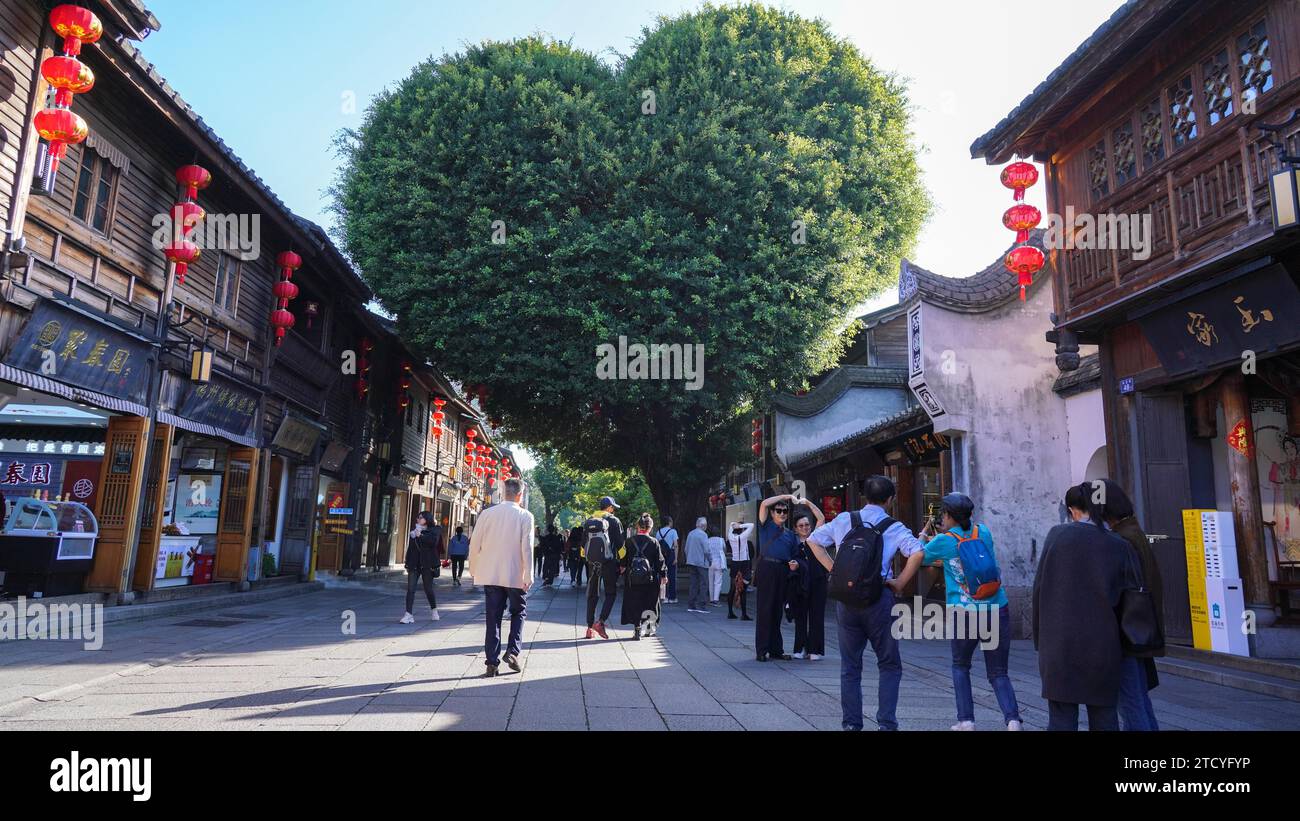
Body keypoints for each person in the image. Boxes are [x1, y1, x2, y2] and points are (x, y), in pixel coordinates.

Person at [893, 492, 1022, 731]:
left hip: (964, 611)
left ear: (948, 516)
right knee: (998, 671)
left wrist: (923, 535)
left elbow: (916, 555)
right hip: (997, 607)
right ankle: (1013, 719)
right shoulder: (983, 531)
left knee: (961, 665)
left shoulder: (943, 541)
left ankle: (966, 720)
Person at [804, 476, 924, 731]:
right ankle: (887, 725)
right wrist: (900, 582)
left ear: (864, 497)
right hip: (879, 600)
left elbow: (813, 540)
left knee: (850, 666)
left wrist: (834, 570)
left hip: (847, 602)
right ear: (890, 500)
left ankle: (851, 725)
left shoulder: (845, 518)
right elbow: (918, 552)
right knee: (889, 664)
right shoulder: (894, 526)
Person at [1033, 481, 1137, 730]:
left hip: (1059, 644)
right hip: (1103, 645)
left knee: (1061, 717)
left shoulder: (1057, 536)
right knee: (1104, 716)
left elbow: (1039, 590)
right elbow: (1131, 599)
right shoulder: (1119, 545)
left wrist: (1040, 638)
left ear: (1072, 510)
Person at [1099, 479, 1164, 732]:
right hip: (1137, 628)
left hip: (1126, 630)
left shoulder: (1121, 540)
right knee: (1137, 699)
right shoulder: (1132, 532)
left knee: (1131, 702)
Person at [467, 478, 534, 677]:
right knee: (518, 612)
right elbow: (527, 547)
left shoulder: (487, 514)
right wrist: (528, 574)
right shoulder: (525, 515)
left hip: (491, 573)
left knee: (493, 617)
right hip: (515, 573)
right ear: (520, 495)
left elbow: (475, 544)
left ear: (503, 493)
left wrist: (474, 569)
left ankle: (491, 662)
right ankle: (513, 651)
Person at [755, 495, 805, 661]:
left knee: (777, 611)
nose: (782, 513)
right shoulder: (765, 526)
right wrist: (786, 496)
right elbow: (763, 504)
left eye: (785, 511)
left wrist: (795, 564)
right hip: (767, 568)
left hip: (783, 570)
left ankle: (776, 649)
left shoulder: (790, 535)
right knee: (765, 609)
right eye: (779, 510)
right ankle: (762, 650)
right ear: (772, 513)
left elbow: (796, 555)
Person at [621, 513, 668, 640]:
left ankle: (637, 629)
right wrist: (664, 575)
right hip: (650, 578)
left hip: (633, 579)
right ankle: (648, 629)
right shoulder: (654, 542)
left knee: (635, 602)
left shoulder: (629, 542)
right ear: (650, 528)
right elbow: (660, 561)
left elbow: (623, 561)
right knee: (650, 602)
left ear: (638, 526)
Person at [791, 509, 829, 660]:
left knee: (816, 615)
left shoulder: (816, 537)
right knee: (800, 615)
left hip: (818, 581)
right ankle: (799, 648)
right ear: (795, 528)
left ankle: (815, 649)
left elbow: (821, 517)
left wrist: (805, 503)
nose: (805, 528)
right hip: (800, 582)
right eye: (801, 526)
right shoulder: (792, 543)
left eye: (807, 524)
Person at [584, 496, 624, 639]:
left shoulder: (589, 520)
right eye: (613, 507)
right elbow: (620, 544)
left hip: (592, 563)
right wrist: (623, 563)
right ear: (608, 507)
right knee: (611, 593)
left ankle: (589, 628)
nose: (613, 510)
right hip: (609, 562)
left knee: (592, 594)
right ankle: (600, 622)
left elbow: (584, 545)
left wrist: (589, 560)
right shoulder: (613, 520)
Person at [400, 511, 444, 623]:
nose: (418, 520)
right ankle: (408, 614)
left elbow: (433, 542)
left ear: (427, 519)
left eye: (421, 518)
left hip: (427, 564)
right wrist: (407, 562)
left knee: (428, 589)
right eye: (418, 518)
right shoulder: (414, 532)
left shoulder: (435, 530)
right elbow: (411, 548)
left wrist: (421, 535)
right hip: (414, 564)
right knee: (410, 589)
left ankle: (434, 610)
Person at [726, 518, 754, 620]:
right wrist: (741, 525)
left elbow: (730, 525)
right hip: (744, 564)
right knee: (743, 589)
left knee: (732, 589)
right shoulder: (743, 537)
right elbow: (751, 525)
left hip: (734, 564)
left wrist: (733, 524)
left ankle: (730, 612)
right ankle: (744, 614)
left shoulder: (730, 536)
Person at [683, 517, 711, 614]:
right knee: (703, 584)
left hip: (691, 561)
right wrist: (710, 560)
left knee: (693, 584)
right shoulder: (703, 535)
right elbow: (707, 550)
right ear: (704, 526)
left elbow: (686, 548)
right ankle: (702, 605)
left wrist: (688, 558)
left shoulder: (690, 533)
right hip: (701, 563)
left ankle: (691, 605)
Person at [655, 516, 680, 603]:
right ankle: (672, 597)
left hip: (661, 555)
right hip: (671, 555)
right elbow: (676, 545)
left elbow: (656, 545)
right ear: (670, 522)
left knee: (662, 576)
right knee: (672, 576)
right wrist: (676, 558)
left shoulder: (658, 532)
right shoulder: (673, 531)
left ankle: (663, 597)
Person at [707, 528, 728, 605]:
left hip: (710, 562)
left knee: (711, 581)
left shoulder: (708, 540)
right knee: (718, 582)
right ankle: (716, 599)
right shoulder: (721, 540)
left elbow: (707, 551)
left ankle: (711, 599)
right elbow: (725, 550)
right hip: (719, 562)